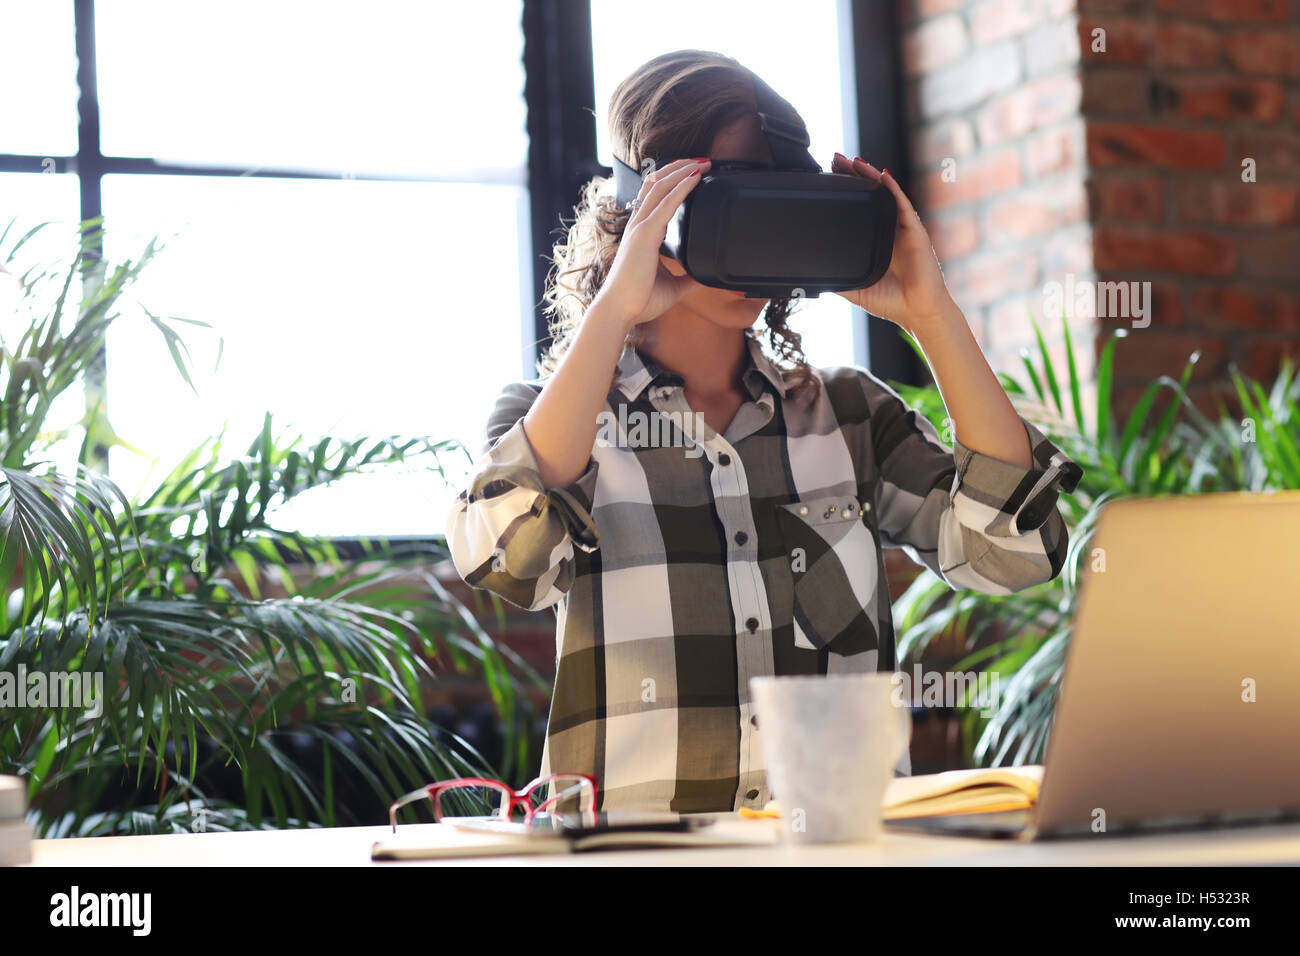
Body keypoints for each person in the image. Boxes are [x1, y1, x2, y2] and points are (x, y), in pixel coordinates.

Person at [446, 50, 1082, 814]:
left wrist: (932, 316)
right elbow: (507, 560)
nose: (760, 246)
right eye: (733, 205)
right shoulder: (554, 422)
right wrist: (614, 309)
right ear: (644, 203)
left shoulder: (848, 416)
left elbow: (1015, 557)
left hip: (841, 854)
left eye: (781, 204)